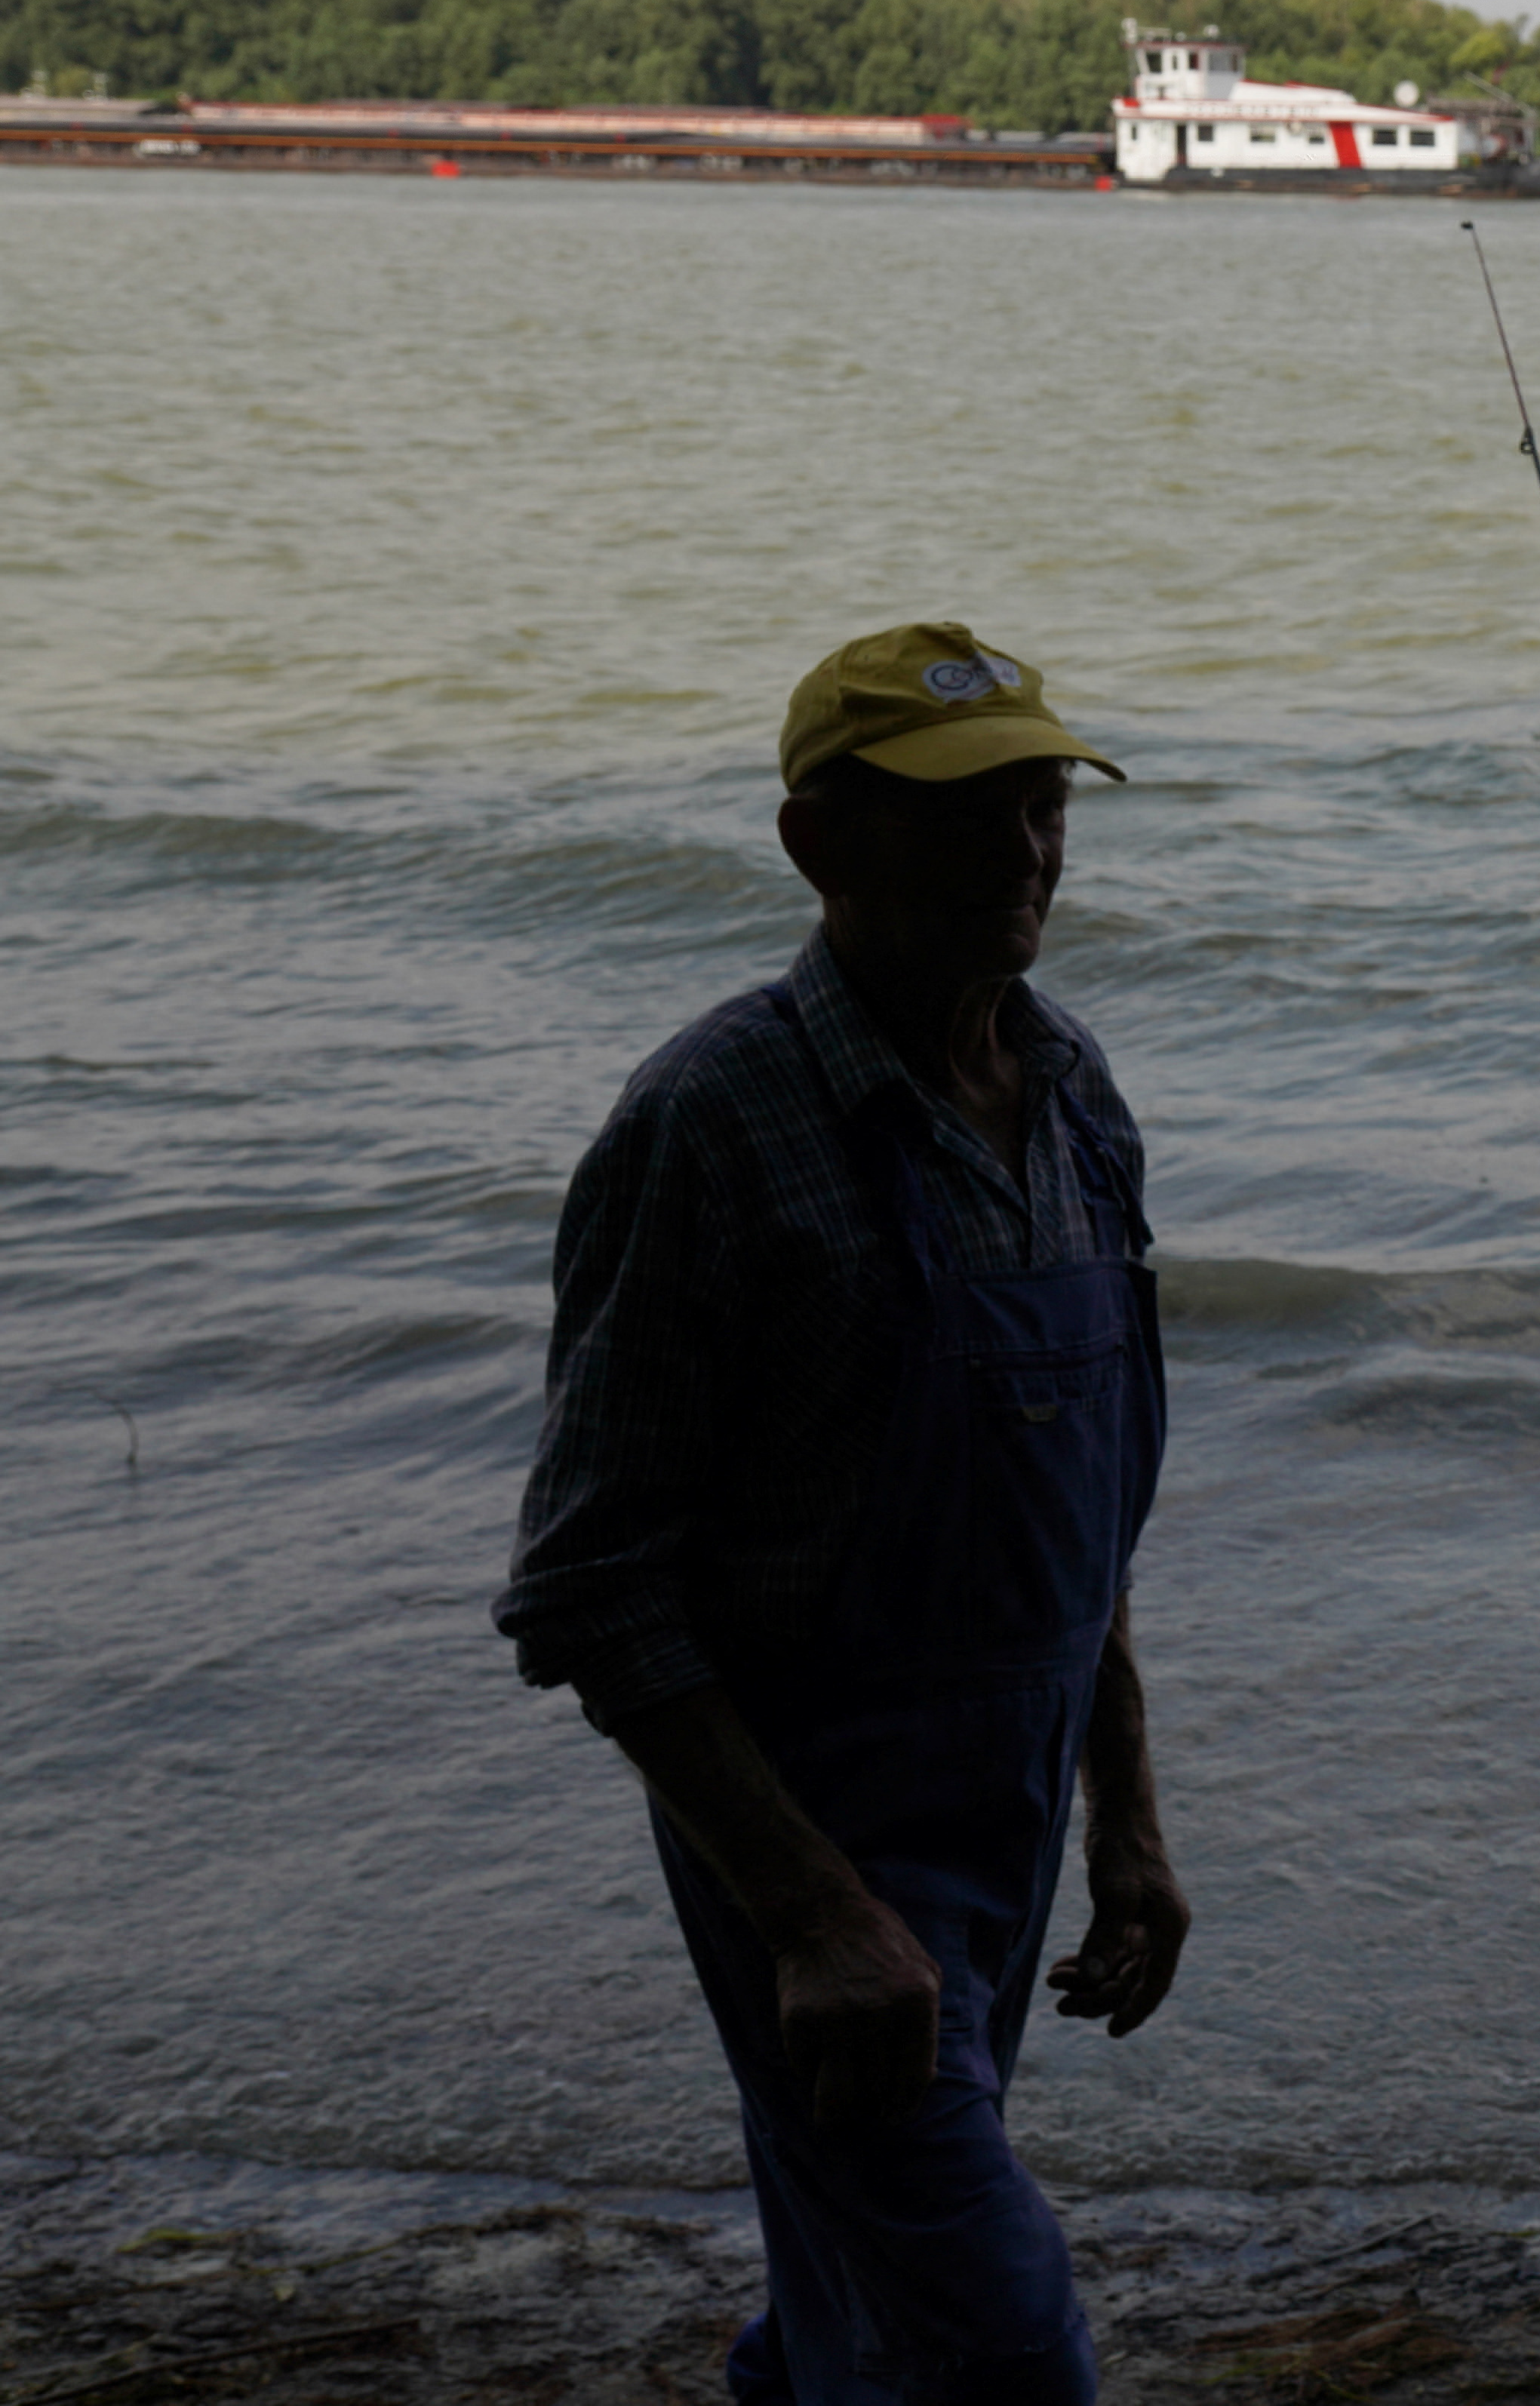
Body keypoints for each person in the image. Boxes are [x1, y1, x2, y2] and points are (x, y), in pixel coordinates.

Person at [499, 622, 1188, 2406]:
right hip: (815, 1813)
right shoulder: (711, 1123)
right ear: (818, 841)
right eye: (970, 810)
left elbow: (1084, 1506)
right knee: (1007, 2332)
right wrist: (811, 1913)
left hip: (1016, 1801)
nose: (1028, 849)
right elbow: (585, 1583)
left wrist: (1126, 1810)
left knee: (859, 2273)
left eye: (1045, 803)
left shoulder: (1077, 1094)